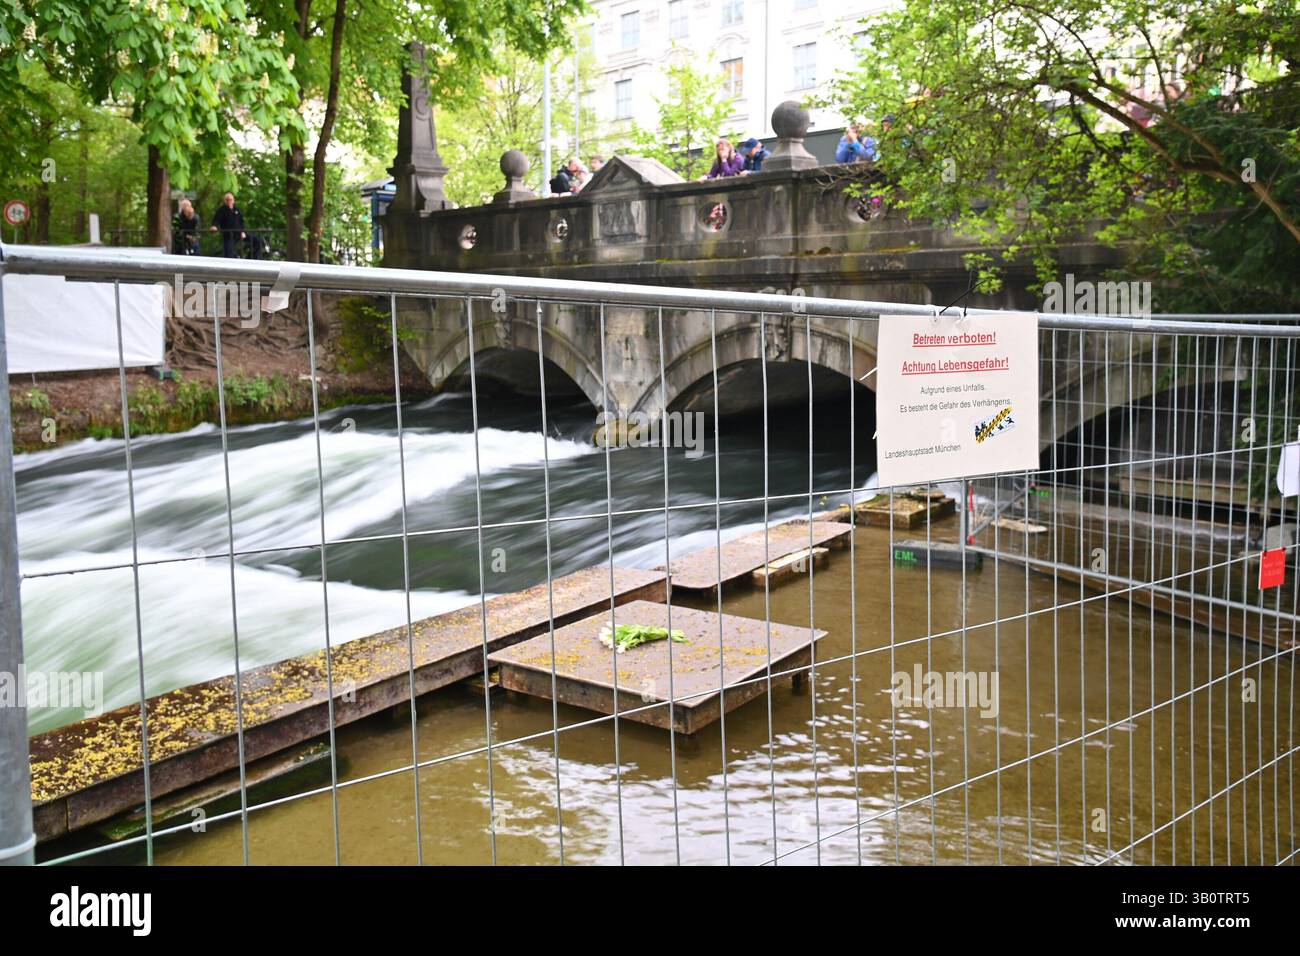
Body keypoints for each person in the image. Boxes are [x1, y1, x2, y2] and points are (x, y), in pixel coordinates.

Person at [210, 192, 249, 258]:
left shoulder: (237, 210)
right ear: (225, 201)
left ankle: (252, 259)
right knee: (228, 253)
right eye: (227, 200)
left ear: (233, 200)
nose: (229, 201)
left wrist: (243, 232)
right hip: (228, 236)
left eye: (231, 199)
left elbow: (242, 222)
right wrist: (214, 226)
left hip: (239, 234)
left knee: (257, 241)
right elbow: (216, 220)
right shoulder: (222, 210)